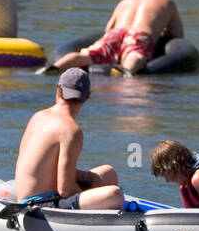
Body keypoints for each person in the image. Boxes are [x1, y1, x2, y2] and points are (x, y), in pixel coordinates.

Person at [14, 69, 124, 210]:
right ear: (86, 97)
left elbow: (41, 166)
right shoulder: (71, 130)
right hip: (40, 204)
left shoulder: (38, 116)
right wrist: (88, 195)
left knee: (107, 173)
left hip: (25, 196)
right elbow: (65, 189)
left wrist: (87, 177)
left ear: (58, 91)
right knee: (114, 195)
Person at [50, 0, 184, 75]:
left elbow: (108, 29)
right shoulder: (166, 1)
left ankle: (56, 67)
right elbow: (178, 36)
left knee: (88, 54)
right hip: (139, 35)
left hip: (115, 34)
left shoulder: (125, 2)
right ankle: (127, 70)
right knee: (135, 54)